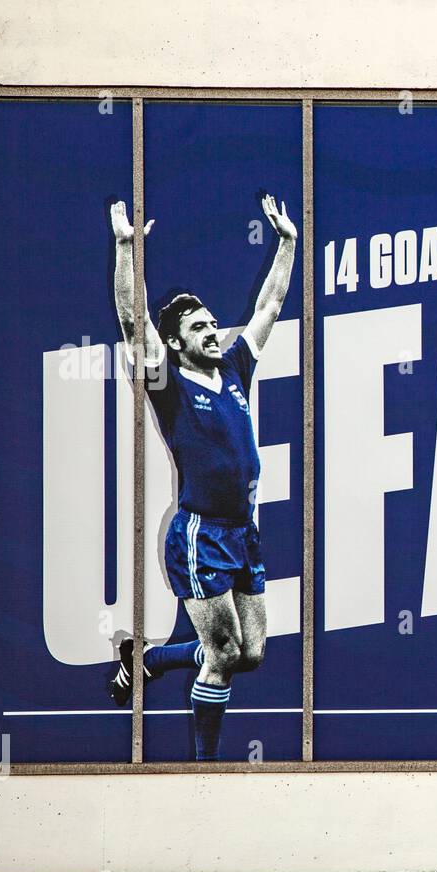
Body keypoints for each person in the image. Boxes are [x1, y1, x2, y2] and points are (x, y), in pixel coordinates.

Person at [106, 195, 296, 761]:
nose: (213, 331)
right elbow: (131, 320)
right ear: (177, 342)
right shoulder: (168, 387)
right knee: (221, 651)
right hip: (200, 536)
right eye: (199, 327)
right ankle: (204, 772)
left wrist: (286, 242)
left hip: (243, 532)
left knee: (251, 652)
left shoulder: (235, 367)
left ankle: (148, 660)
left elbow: (271, 305)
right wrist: (124, 249)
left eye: (213, 323)